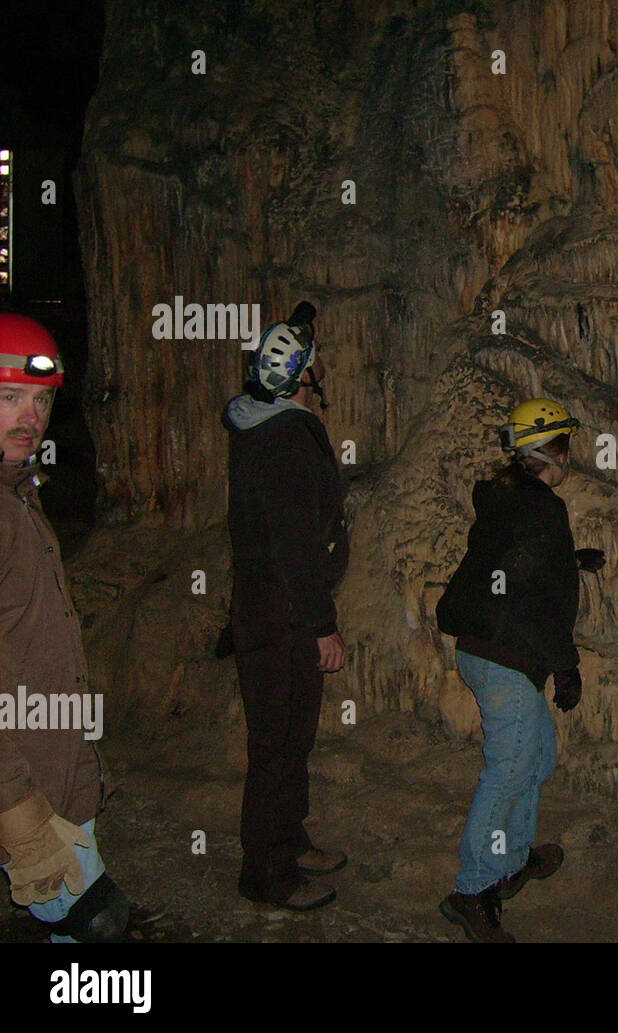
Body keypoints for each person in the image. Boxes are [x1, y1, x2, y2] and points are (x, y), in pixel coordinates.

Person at [435, 397, 600, 943]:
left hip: (482, 647)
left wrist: (567, 559)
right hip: (505, 654)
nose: (569, 457)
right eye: (564, 446)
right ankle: (474, 888)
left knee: (536, 757)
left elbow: (506, 566)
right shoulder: (541, 509)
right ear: (546, 451)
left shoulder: (506, 498)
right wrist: (566, 666)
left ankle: (510, 859)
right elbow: (529, 596)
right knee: (509, 768)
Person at [0, 311, 130, 942]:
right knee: (96, 925)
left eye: (41, 401)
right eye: (9, 398)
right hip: (22, 790)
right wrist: (18, 813)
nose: (31, 418)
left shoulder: (21, 495)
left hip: (52, 774)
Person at [223, 301, 349, 911]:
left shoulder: (258, 424)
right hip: (284, 618)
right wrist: (321, 626)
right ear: (302, 379)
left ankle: (289, 839)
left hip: (269, 610)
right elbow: (294, 546)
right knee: (276, 743)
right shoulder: (285, 442)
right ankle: (266, 873)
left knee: (292, 736)